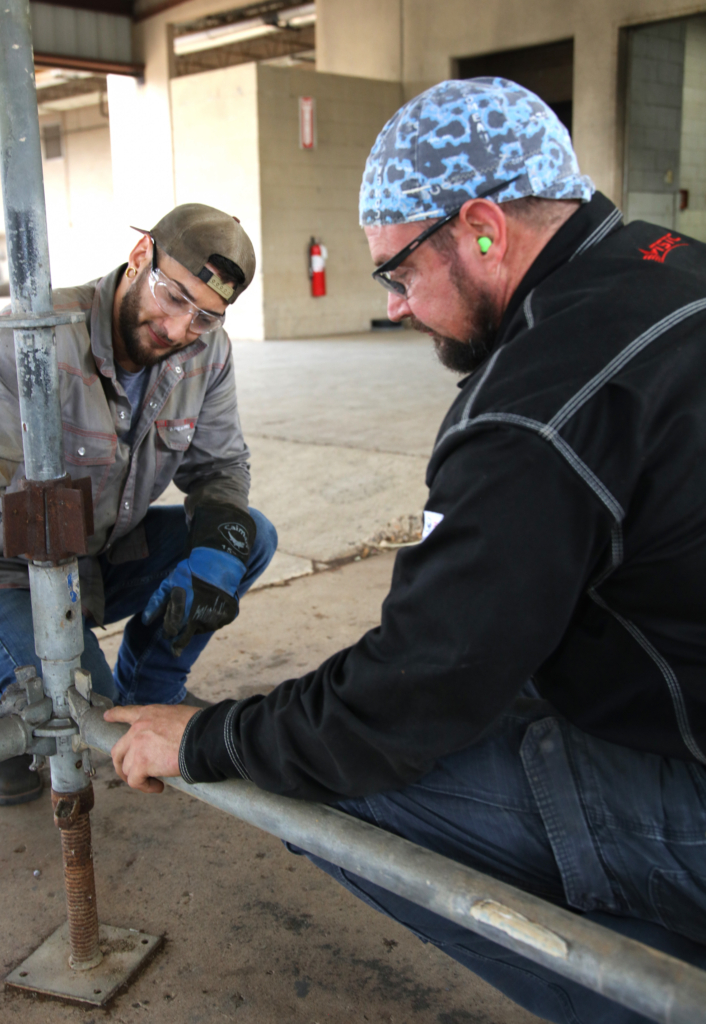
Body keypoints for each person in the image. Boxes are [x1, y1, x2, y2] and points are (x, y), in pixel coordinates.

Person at [104, 80, 706, 1023]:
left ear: (479, 229)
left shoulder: (532, 404)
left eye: (397, 271)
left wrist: (214, 738)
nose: (393, 306)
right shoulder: (672, 267)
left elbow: (413, 693)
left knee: (313, 781)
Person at [0, 203, 277, 806]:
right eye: (174, 299)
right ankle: (2, 728)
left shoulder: (208, 352)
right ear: (140, 255)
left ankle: (152, 694)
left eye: (205, 316)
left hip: (99, 560)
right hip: (4, 578)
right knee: (79, 719)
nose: (180, 330)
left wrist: (219, 555)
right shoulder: (35, 333)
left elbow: (220, 467)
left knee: (246, 535)